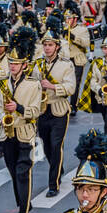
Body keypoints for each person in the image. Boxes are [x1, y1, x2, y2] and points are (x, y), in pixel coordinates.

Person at [0, 27, 42, 213]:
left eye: (16, 64)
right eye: (10, 63)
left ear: (24, 65)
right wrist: (3, 117)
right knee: (13, 173)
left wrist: (17, 108)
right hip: (7, 134)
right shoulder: (2, 83)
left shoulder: (33, 85)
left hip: (25, 134)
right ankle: (25, 203)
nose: (12, 66)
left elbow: (35, 111)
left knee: (22, 174)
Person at [35, 17, 77, 196]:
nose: (47, 48)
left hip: (59, 110)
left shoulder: (66, 65)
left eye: (50, 45)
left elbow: (71, 87)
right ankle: (57, 167)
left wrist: (52, 86)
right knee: (46, 147)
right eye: (45, 45)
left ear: (57, 47)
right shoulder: (37, 65)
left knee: (55, 145)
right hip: (43, 111)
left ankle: (54, 184)